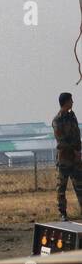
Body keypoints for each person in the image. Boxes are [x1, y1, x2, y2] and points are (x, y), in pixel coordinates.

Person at [54, 91, 82, 220]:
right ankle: (62, 213)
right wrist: (74, 151)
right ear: (65, 102)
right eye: (71, 100)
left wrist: (79, 151)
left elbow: (77, 135)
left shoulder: (72, 116)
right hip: (65, 159)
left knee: (80, 186)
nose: (73, 102)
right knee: (61, 188)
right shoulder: (57, 120)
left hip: (76, 159)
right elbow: (62, 141)